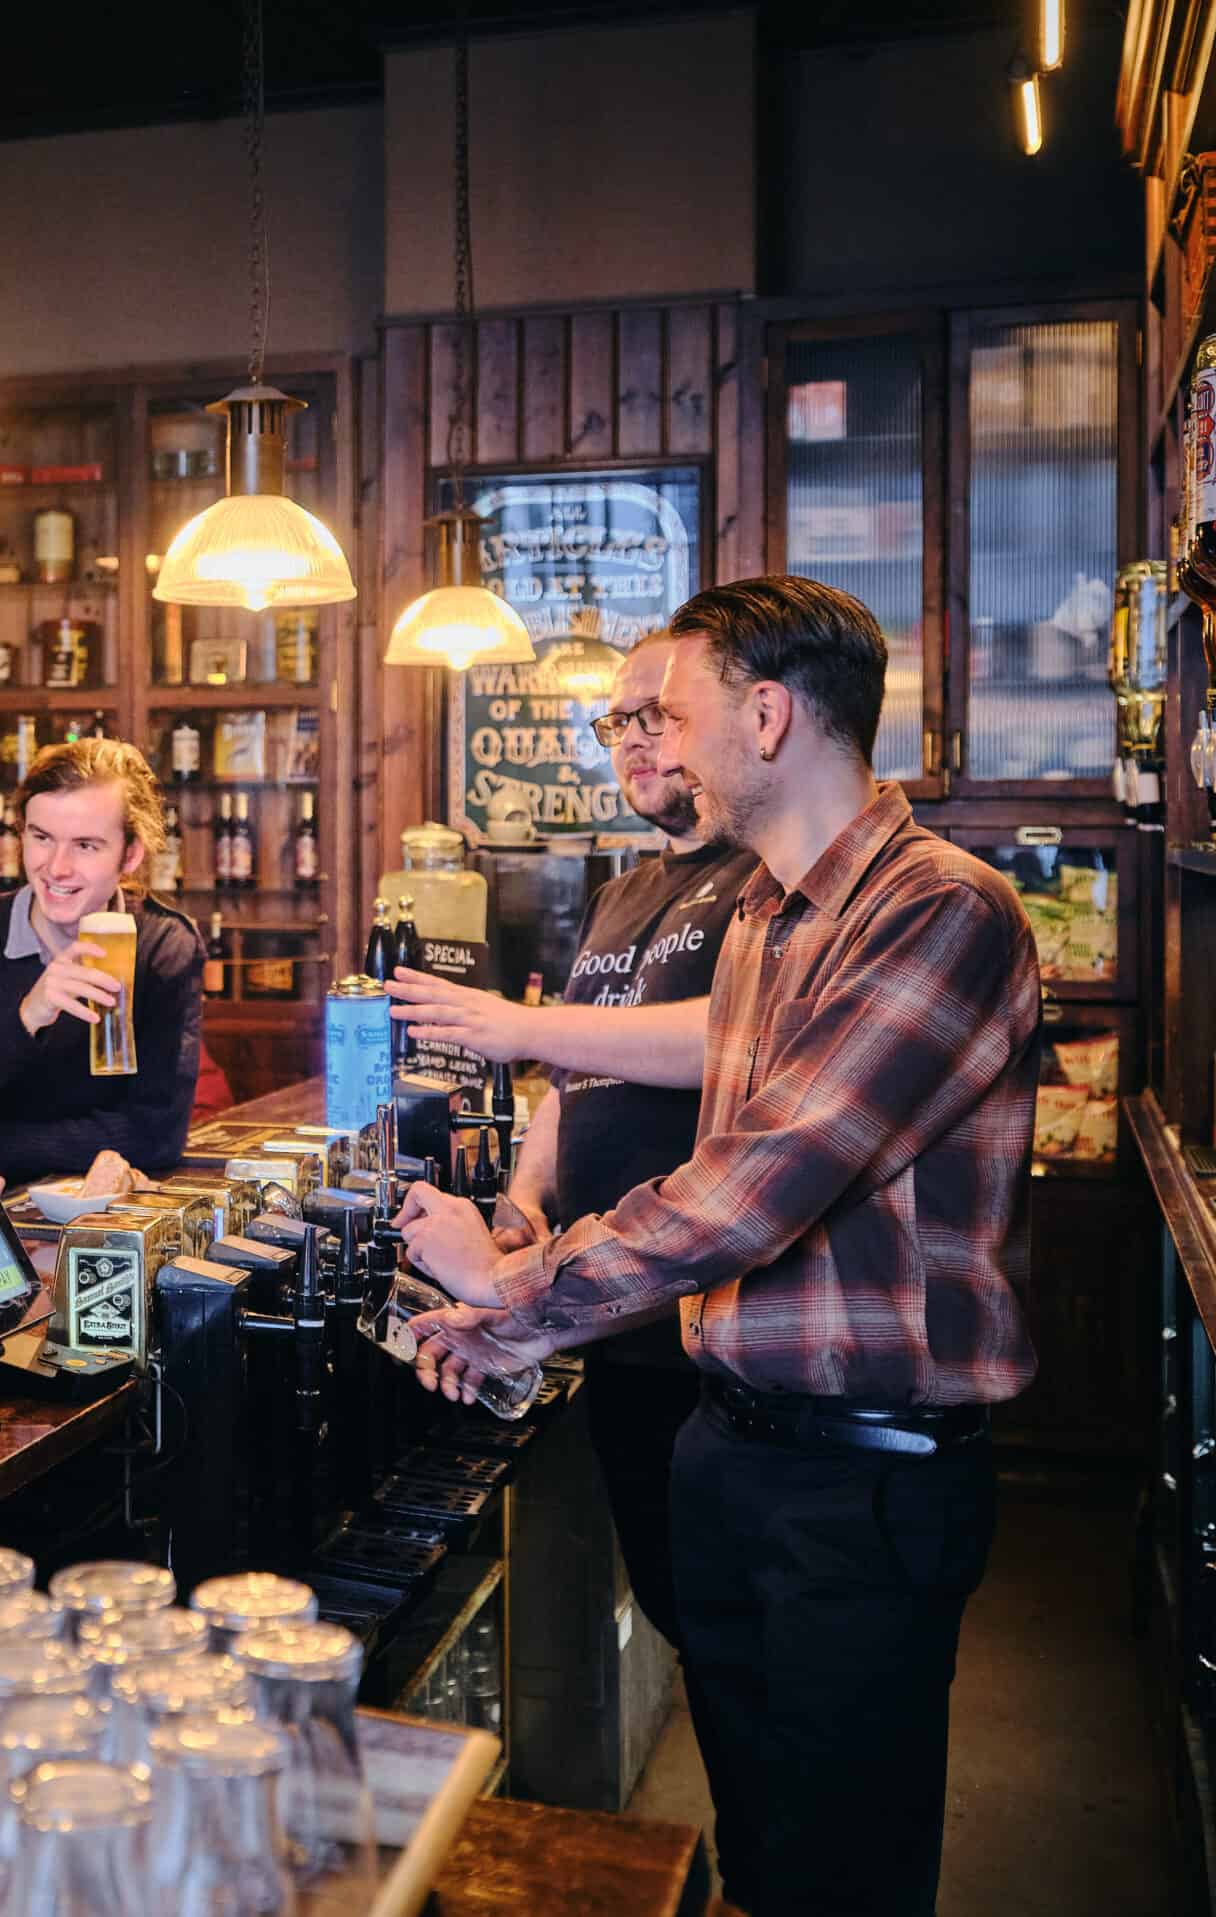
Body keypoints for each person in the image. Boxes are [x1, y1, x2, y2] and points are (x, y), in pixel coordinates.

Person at [397, 576, 1039, 1917]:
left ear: (765, 714)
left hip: (862, 1477)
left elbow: (758, 1184)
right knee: (756, 1847)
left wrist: (524, 1306)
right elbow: (704, 1166)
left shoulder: (942, 908)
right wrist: (530, 1259)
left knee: (840, 1875)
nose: (654, 748)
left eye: (671, 714)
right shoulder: (762, 918)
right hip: (732, 1441)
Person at [385, 632, 760, 1653]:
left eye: (657, 717)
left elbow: (730, 1042)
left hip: (706, 1319)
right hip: (598, 1311)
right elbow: (574, 1082)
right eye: (616, 724)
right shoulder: (622, 892)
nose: (633, 745)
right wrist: (522, 1198)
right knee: (684, 1613)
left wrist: (516, 1023)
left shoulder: (765, 885)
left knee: (747, 1641)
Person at [0, 738, 202, 1185]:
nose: (56, 868)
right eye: (41, 838)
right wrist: (29, 1016)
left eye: (85, 845)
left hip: (108, 1211)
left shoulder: (163, 946)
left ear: (131, 854)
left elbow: (156, 1135)